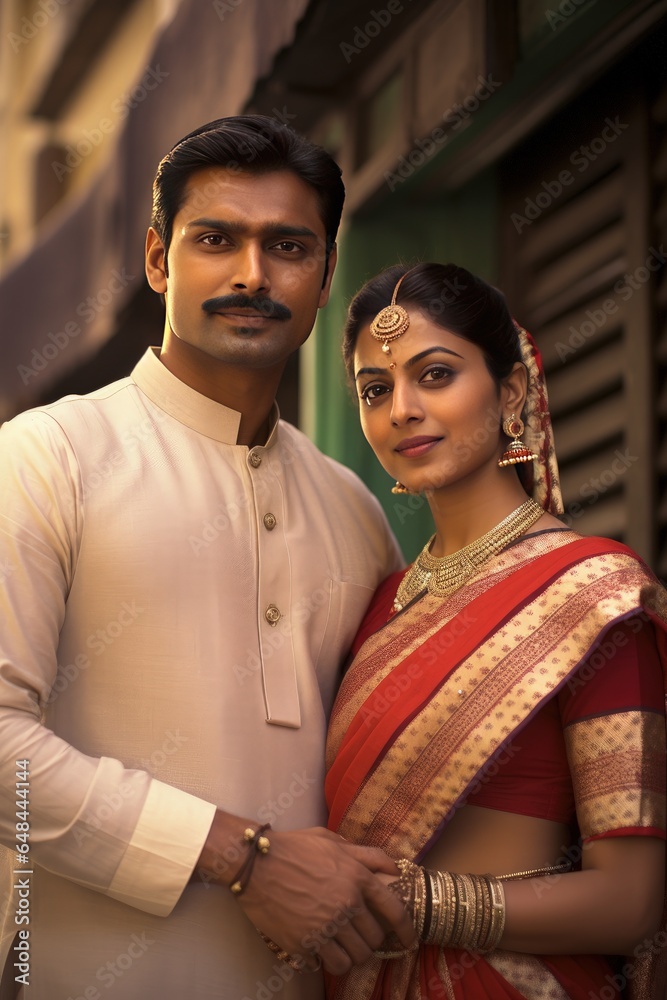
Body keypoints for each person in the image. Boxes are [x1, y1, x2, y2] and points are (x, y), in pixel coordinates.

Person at [0, 116, 416, 1000]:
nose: (252, 276)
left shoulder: (352, 507)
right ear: (158, 260)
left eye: (289, 246)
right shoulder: (48, 457)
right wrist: (242, 857)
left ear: (324, 276)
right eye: (216, 240)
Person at [324, 261, 667, 999]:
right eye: (375, 390)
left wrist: (419, 906)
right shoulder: (379, 606)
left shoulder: (590, 595)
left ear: (510, 393)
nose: (402, 410)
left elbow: (630, 902)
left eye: (436, 375)